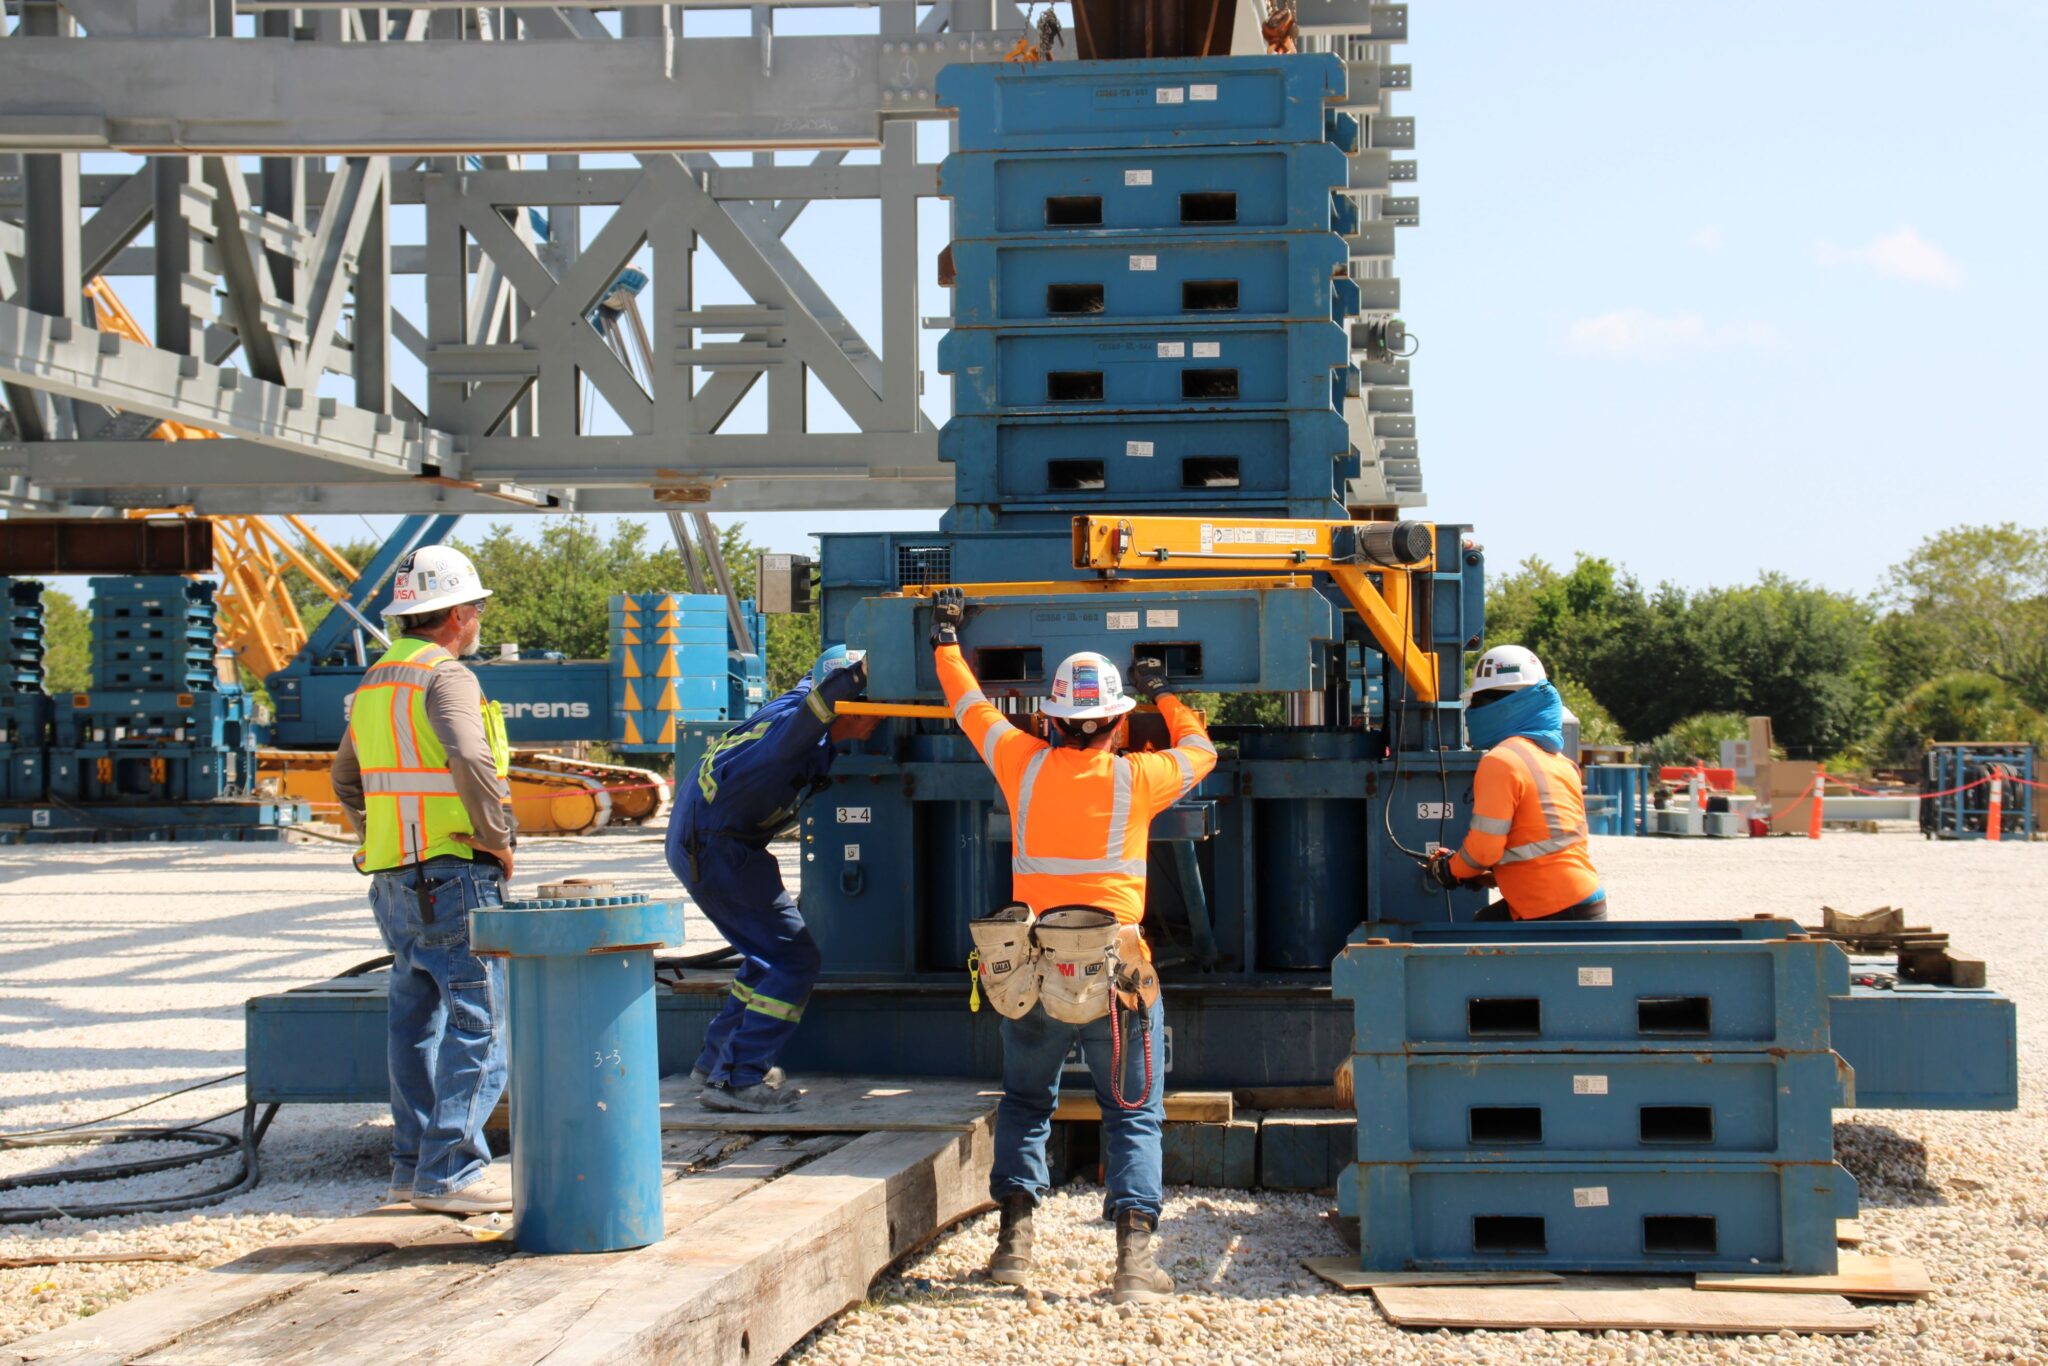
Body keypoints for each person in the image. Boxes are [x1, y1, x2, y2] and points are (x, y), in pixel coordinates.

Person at [930, 587, 1218, 1306]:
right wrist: (1165, 694)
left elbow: (969, 705)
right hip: (1118, 973)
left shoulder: (1020, 762)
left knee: (1027, 1102)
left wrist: (946, 637)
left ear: (1051, 719)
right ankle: (1133, 1265)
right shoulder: (1138, 777)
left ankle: (1012, 1249)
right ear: (1118, 724)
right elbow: (1202, 751)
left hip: (1035, 970)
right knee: (1133, 1111)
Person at [330, 545, 517, 1214]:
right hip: (453, 872)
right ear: (458, 614)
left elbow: (344, 778)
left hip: (392, 879)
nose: (478, 620)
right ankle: (450, 1174)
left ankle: (411, 1170)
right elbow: (469, 755)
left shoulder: (377, 681)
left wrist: (375, 835)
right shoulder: (446, 676)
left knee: (414, 1025)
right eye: (477, 609)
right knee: (482, 1023)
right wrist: (496, 838)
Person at [667, 646, 879, 1113]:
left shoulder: (791, 703)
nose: (878, 722)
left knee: (767, 955)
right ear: (843, 708)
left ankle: (715, 1061)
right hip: (717, 850)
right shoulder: (793, 739)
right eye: (873, 711)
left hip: (711, 842)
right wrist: (859, 675)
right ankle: (738, 1080)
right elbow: (810, 718)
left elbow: (812, 689)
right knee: (794, 961)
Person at [1428, 644, 1608, 922]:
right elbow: (1542, 846)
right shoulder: (1558, 761)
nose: (1472, 712)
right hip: (1582, 900)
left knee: (1471, 942)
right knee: (1484, 924)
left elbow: (1484, 849)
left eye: (1477, 703)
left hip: (1552, 907)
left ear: (1502, 706)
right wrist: (1488, 872)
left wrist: (1450, 869)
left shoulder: (1501, 760)